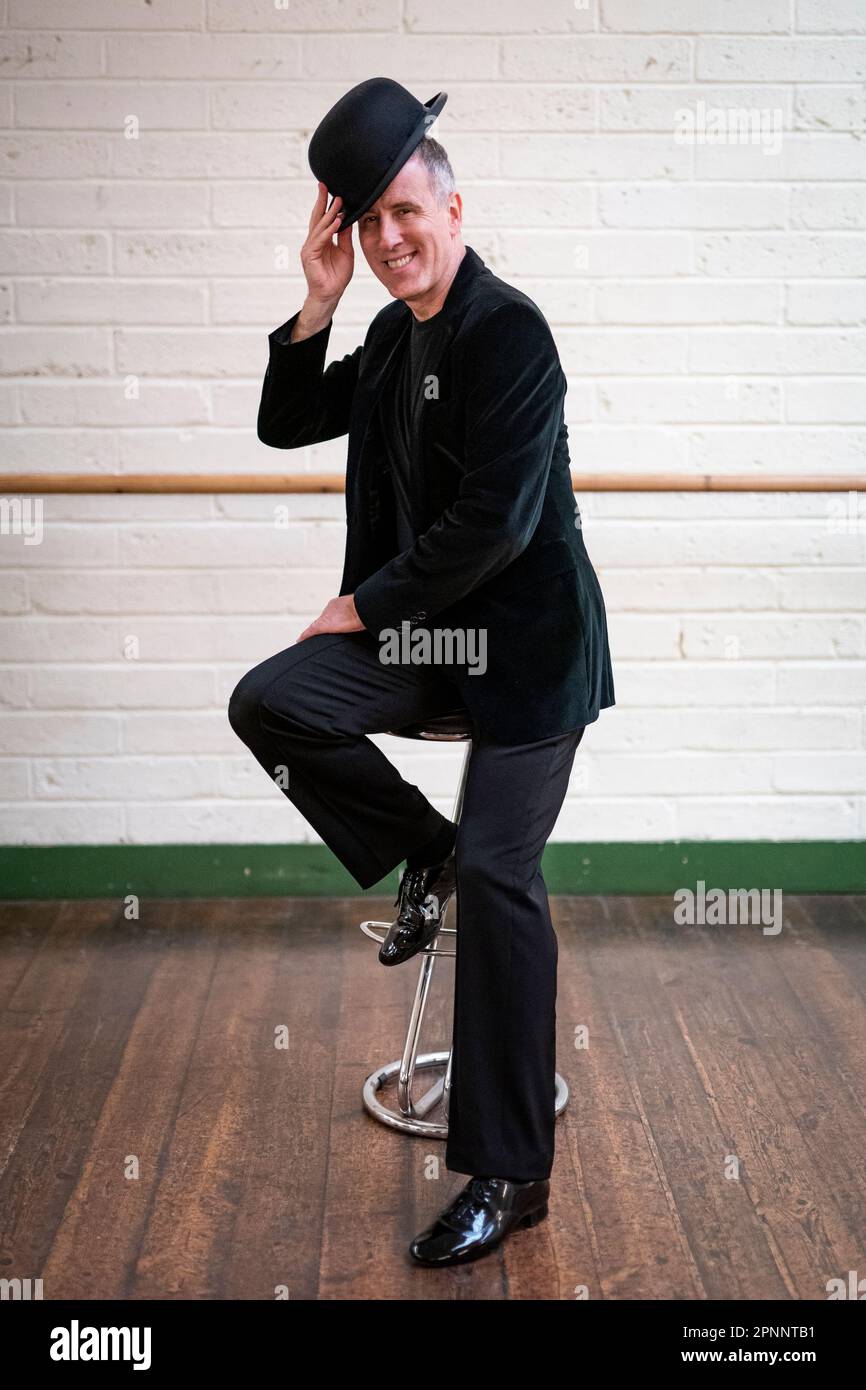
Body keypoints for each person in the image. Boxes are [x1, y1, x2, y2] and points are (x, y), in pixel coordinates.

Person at [228, 78, 615, 1267]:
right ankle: (426, 853)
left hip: (528, 658)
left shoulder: (510, 332)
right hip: (434, 643)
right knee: (273, 700)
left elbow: (495, 526)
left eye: (407, 213)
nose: (391, 239)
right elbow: (286, 425)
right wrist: (316, 302)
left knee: (506, 881)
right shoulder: (394, 333)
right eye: (369, 223)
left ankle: (508, 1173)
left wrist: (359, 605)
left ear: (451, 206)